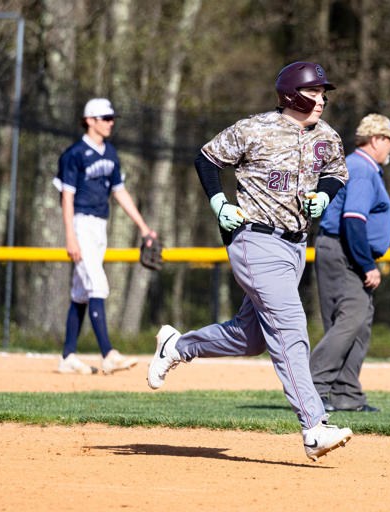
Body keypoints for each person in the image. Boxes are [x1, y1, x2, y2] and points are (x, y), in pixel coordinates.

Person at [146, 62, 352, 461]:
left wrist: (325, 194)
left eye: (324, 92)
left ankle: (177, 345)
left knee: (252, 337)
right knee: (291, 327)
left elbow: (336, 173)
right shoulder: (253, 128)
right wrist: (218, 200)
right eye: (315, 92)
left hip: (295, 248)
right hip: (254, 241)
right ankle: (314, 427)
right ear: (292, 94)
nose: (322, 99)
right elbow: (206, 159)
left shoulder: (327, 136)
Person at [310, 113, 390, 413]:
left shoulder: (362, 167)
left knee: (359, 323)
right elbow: (353, 220)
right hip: (344, 249)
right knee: (351, 318)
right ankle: (311, 386)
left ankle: (346, 394)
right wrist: (367, 264)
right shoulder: (362, 170)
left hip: (342, 248)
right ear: (375, 140)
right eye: (389, 140)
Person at [53, 98, 155, 375]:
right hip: (81, 223)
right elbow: (67, 198)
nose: (110, 122)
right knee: (98, 285)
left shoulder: (110, 152)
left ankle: (68, 357)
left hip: (100, 225)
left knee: (80, 292)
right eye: (105, 118)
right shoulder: (74, 154)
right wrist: (70, 237)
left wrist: (143, 227)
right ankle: (108, 354)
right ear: (89, 120)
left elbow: (119, 192)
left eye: (112, 118)